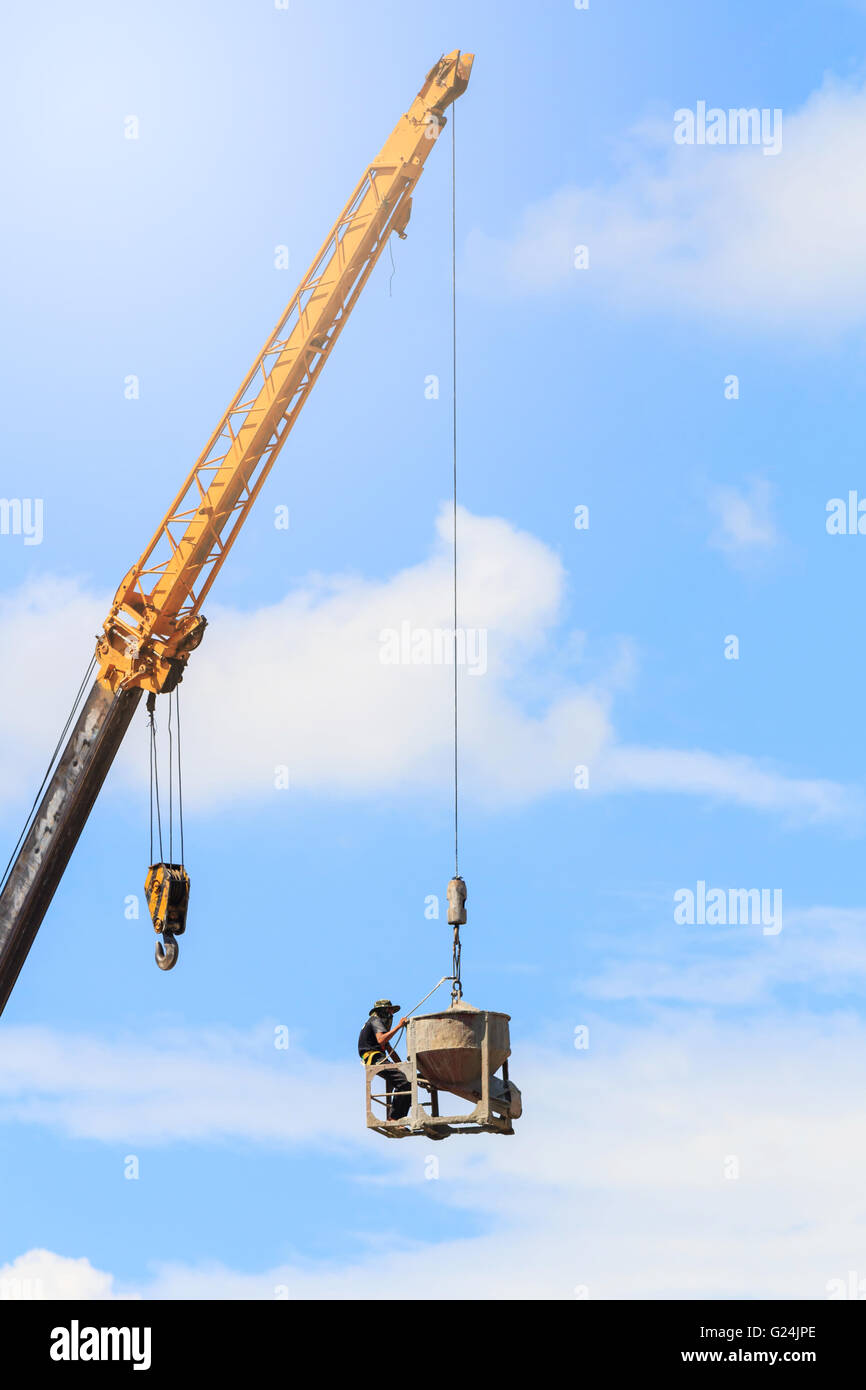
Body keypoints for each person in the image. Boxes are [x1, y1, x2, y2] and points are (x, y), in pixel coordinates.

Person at [358, 998, 412, 1121]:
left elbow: (388, 1049)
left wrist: (403, 1066)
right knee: (405, 1083)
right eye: (390, 1011)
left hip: (377, 1057)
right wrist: (399, 1026)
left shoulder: (374, 1024)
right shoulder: (375, 1020)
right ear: (383, 1011)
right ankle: (394, 1119)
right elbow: (382, 1040)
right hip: (375, 1058)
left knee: (408, 1081)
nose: (391, 1015)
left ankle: (398, 1119)